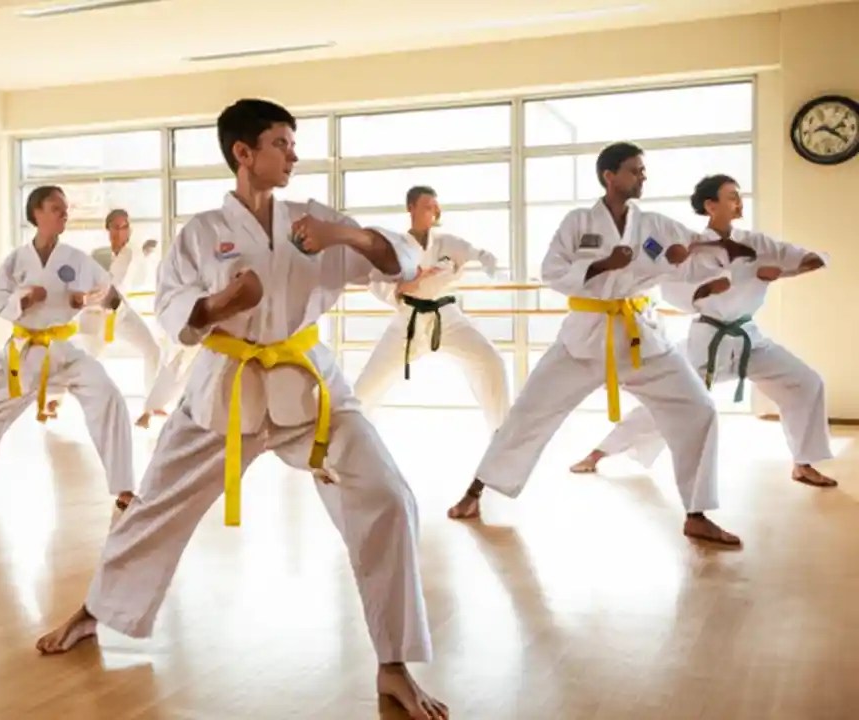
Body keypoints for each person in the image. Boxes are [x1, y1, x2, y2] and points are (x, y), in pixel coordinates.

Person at [35, 99, 449, 720]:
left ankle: (393, 666)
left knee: (389, 497)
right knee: (154, 507)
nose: (293, 154)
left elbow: (404, 264)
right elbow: (177, 313)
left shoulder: (312, 218)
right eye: (281, 143)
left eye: (293, 143)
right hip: (224, 390)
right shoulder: (200, 232)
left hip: (313, 393)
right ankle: (98, 609)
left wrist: (343, 235)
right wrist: (222, 303)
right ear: (243, 154)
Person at [446, 142, 743, 546]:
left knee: (700, 408)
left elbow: (697, 251)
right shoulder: (578, 221)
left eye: (642, 170)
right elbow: (552, 271)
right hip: (583, 341)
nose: (642, 177)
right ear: (610, 176)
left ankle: (697, 513)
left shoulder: (655, 223)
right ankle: (474, 492)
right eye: (635, 171)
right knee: (529, 412)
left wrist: (688, 256)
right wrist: (604, 264)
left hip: (643, 339)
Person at [570, 174, 835, 487]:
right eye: (732, 196)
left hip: (749, 338)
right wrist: (712, 287)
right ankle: (599, 453)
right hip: (706, 342)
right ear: (711, 205)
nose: (739, 202)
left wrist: (783, 271)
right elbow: (673, 289)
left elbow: (809, 258)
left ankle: (803, 464)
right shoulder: (691, 247)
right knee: (668, 402)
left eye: (739, 196)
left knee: (806, 382)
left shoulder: (757, 243)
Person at [0, 186, 136, 512]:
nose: (64, 214)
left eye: (65, 209)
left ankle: (124, 487)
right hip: (23, 352)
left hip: (67, 349)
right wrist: (23, 299)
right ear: (36, 213)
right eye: (56, 208)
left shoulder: (76, 259)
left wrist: (84, 300)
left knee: (109, 396)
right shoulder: (16, 260)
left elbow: (107, 294)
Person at [352, 185, 510, 431]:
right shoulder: (395, 246)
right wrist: (405, 285)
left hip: (447, 317)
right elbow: (375, 279)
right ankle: (341, 447)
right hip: (408, 319)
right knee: (367, 386)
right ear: (410, 208)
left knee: (490, 361)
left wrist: (492, 267)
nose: (433, 212)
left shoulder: (448, 242)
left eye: (435, 207)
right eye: (427, 207)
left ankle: (502, 435)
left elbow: (479, 254)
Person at [53, 210, 163, 423]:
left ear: (129, 230)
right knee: (87, 360)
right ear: (108, 229)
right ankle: (55, 398)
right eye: (115, 227)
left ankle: (151, 406)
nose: (120, 232)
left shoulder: (130, 254)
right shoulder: (99, 255)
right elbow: (92, 282)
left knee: (152, 349)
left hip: (120, 312)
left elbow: (116, 283)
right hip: (97, 316)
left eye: (124, 227)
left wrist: (147, 251)